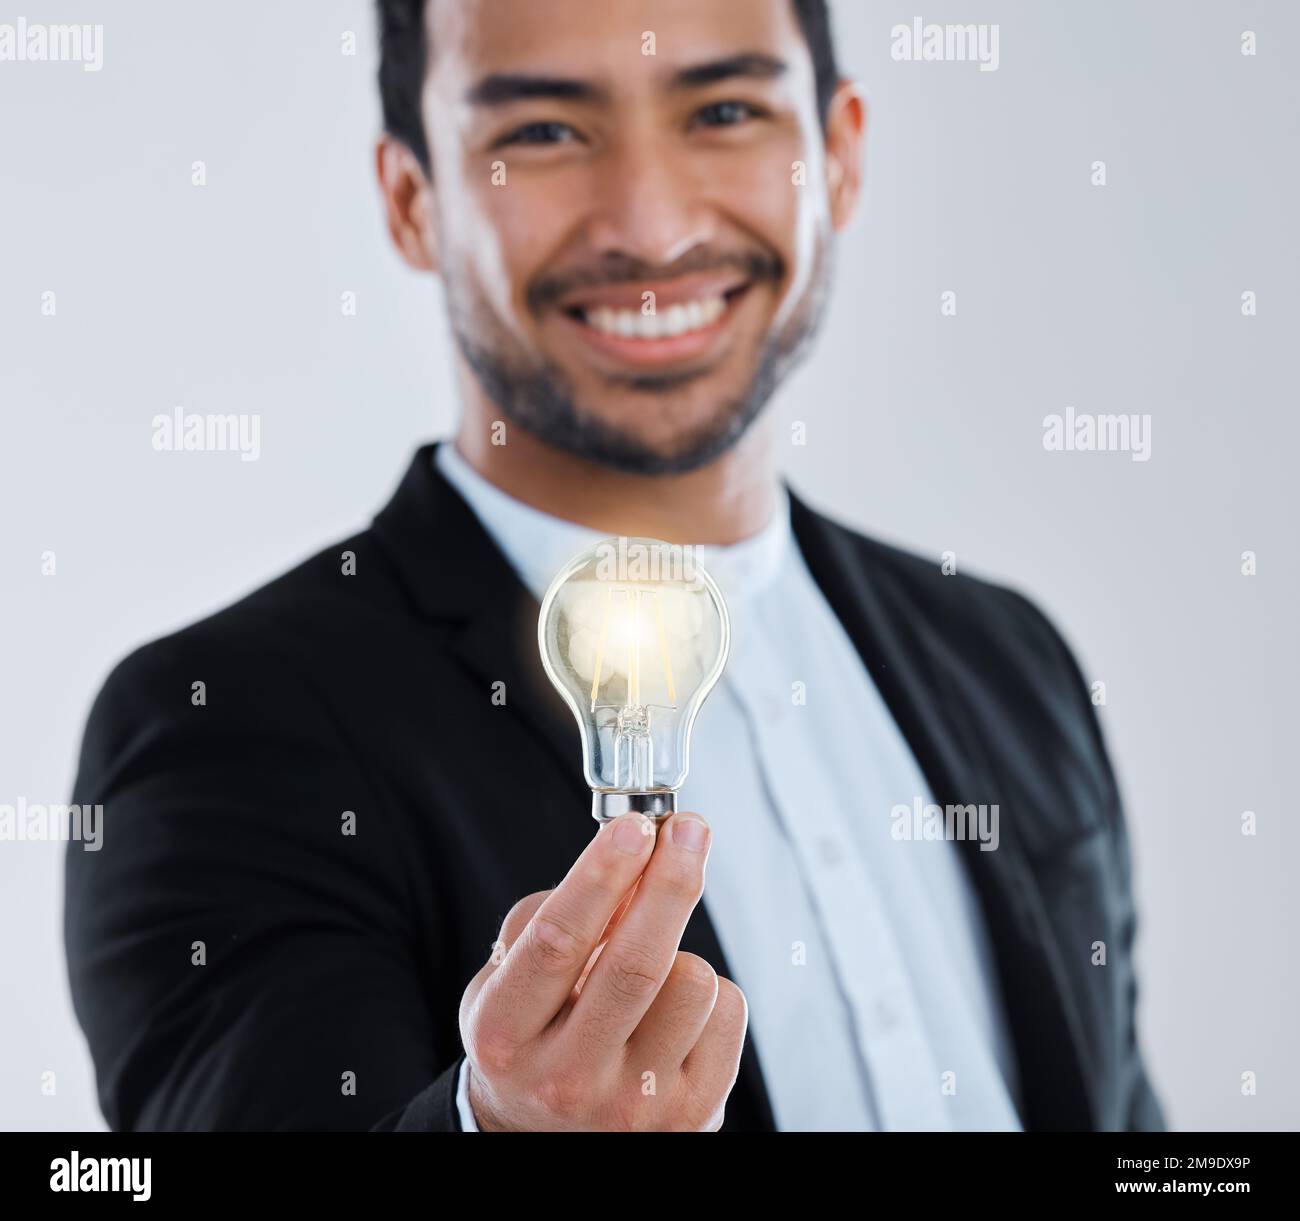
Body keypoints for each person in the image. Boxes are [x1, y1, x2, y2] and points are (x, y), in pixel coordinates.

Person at [65, 0, 1163, 1132]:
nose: (647, 226)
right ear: (412, 199)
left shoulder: (1008, 659)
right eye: (541, 131)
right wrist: (496, 1129)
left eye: (726, 110)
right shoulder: (225, 725)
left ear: (837, 154)